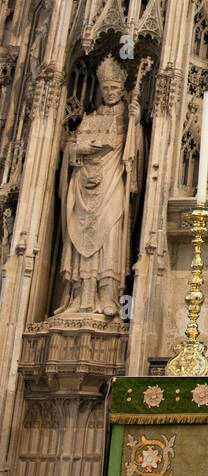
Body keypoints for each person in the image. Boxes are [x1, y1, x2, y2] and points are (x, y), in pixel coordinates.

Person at [57, 55, 143, 318]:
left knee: (110, 235)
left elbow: (134, 152)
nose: (109, 92)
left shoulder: (128, 120)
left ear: (123, 89)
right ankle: (78, 298)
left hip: (111, 183)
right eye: (105, 88)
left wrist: (136, 123)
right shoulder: (89, 118)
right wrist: (76, 148)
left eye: (115, 88)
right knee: (78, 236)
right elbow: (71, 146)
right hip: (83, 187)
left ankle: (110, 297)